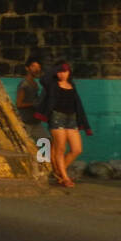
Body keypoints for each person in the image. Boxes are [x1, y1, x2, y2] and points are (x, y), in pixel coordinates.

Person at [35, 60, 92, 188]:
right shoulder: (52, 84)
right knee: (60, 148)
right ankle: (65, 177)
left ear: (69, 72)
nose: (62, 74)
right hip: (56, 117)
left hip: (72, 119)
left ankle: (57, 172)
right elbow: (43, 78)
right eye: (59, 71)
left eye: (64, 71)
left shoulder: (72, 84)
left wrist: (82, 121)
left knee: (77, 149)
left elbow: (77, 104)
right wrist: (56, 68)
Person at [16, 56, 47, 145]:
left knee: (47, 142)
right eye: (34, 66)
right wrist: (33, 104)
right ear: (27, 68)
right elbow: (19, 104)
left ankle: (43, 159)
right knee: (23, 146)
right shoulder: (24, 84)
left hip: (35, 121)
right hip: (25, 122)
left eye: (38, 67)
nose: (37, 69)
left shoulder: (35, 84)